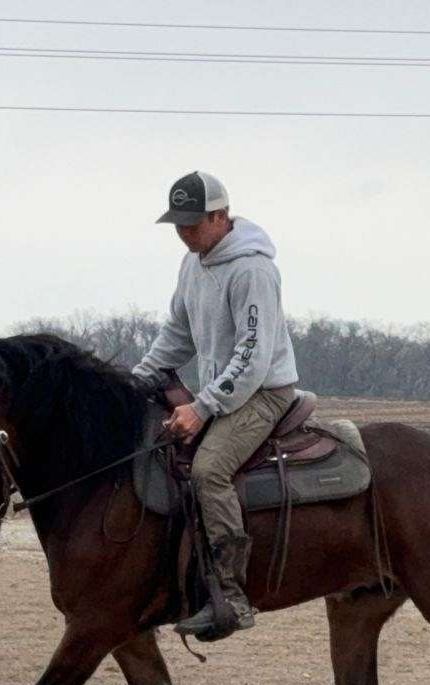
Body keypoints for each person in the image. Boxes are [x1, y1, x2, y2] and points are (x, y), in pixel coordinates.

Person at [132, 171, 299, 641]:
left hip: (264, 392)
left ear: (221, 216)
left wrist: (202, 408)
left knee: (209, 471)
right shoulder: (193, 263)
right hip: (224, 392)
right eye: (178, 225)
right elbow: (177, 335)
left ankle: (232, 594)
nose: (184, 233)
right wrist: (135, 382)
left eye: (191, 223)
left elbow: (252, 355)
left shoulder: (253, 270)